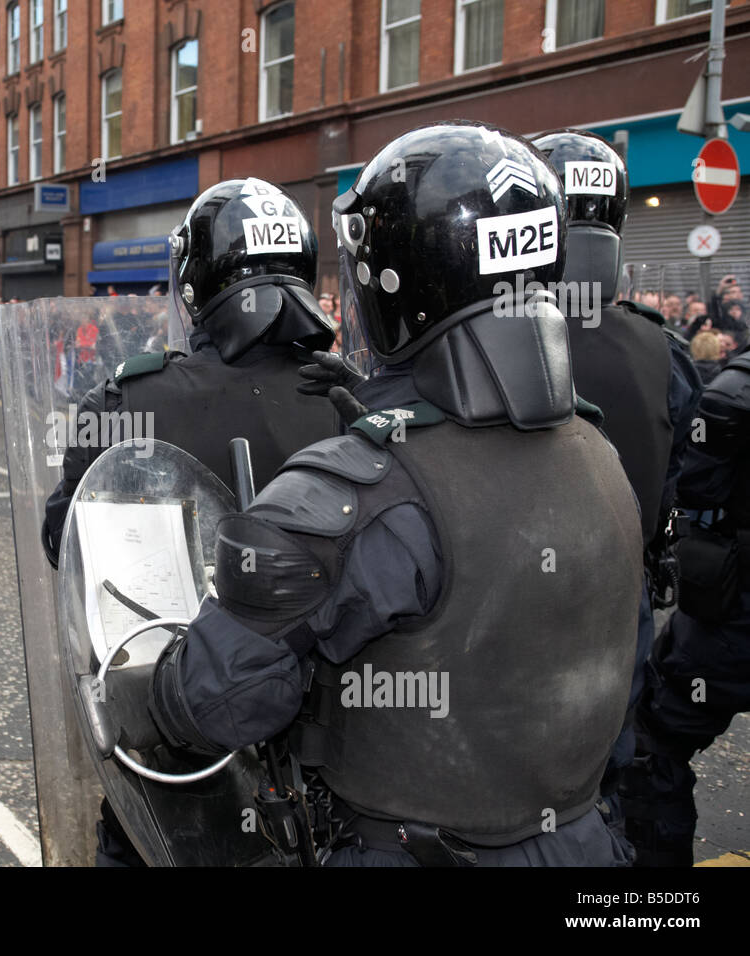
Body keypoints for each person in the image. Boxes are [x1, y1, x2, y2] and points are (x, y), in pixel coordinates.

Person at [148, 122, 642, 866]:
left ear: (395, 283)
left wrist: (154, 696)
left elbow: (220, 701)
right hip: (586, 840)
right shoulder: (601, 453)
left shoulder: (361, 487)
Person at [38, 177, 340, 865]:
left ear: (196, 284)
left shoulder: (132, 399)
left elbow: (67, 545)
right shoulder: (350, 399)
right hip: (329, 765)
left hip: (178, 744)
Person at [532, 129, 703, 854]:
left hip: (504, 605)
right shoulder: (664, 350)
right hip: (621, 605)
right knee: (613, 775)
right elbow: (683, 486)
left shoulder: (483, 341)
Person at [622, 347, 750, 866]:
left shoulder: (733, 392)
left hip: (732, 618)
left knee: (654, 743)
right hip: (727, 613)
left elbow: (693, 486)